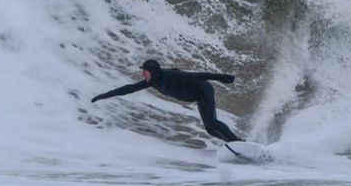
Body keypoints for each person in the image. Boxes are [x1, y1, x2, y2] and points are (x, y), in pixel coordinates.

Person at [91, 59, 242, 142]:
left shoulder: (170, 75)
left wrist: (222, 78)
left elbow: (198, 76)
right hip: (196, 96)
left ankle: (237, 142)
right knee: (209, 129)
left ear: (152, 71)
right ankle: (233, 145)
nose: (143, 73)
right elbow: (128, 89)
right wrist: (103, 95)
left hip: (203, 90)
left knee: (212, 122)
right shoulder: (152, 82)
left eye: (145, 70)